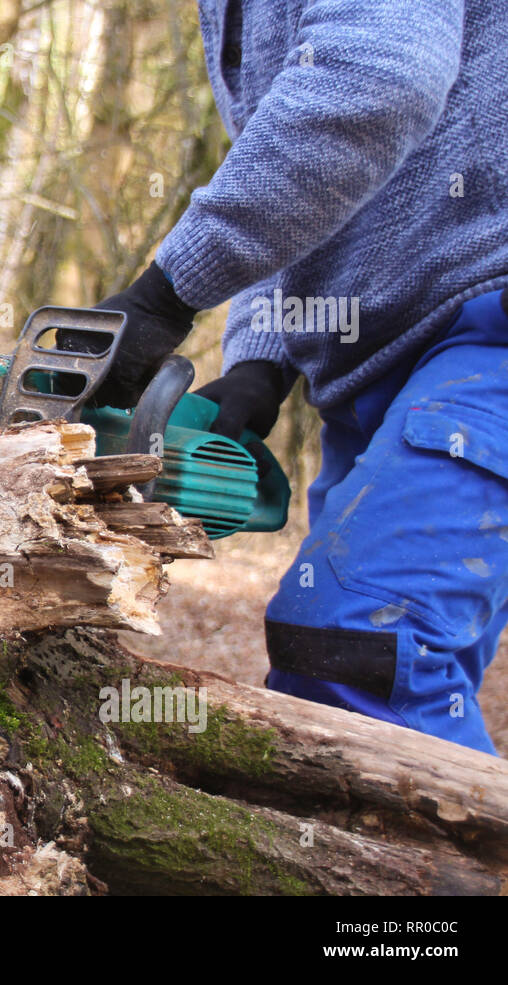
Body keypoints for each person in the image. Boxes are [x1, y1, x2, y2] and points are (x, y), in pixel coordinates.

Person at [94, 0, 508, 754]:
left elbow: (379, 73)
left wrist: (169, 290)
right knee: (368, 686)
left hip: (487, 327)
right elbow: (292, 162)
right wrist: (260, 358)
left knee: (360, 647)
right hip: (381, 368)